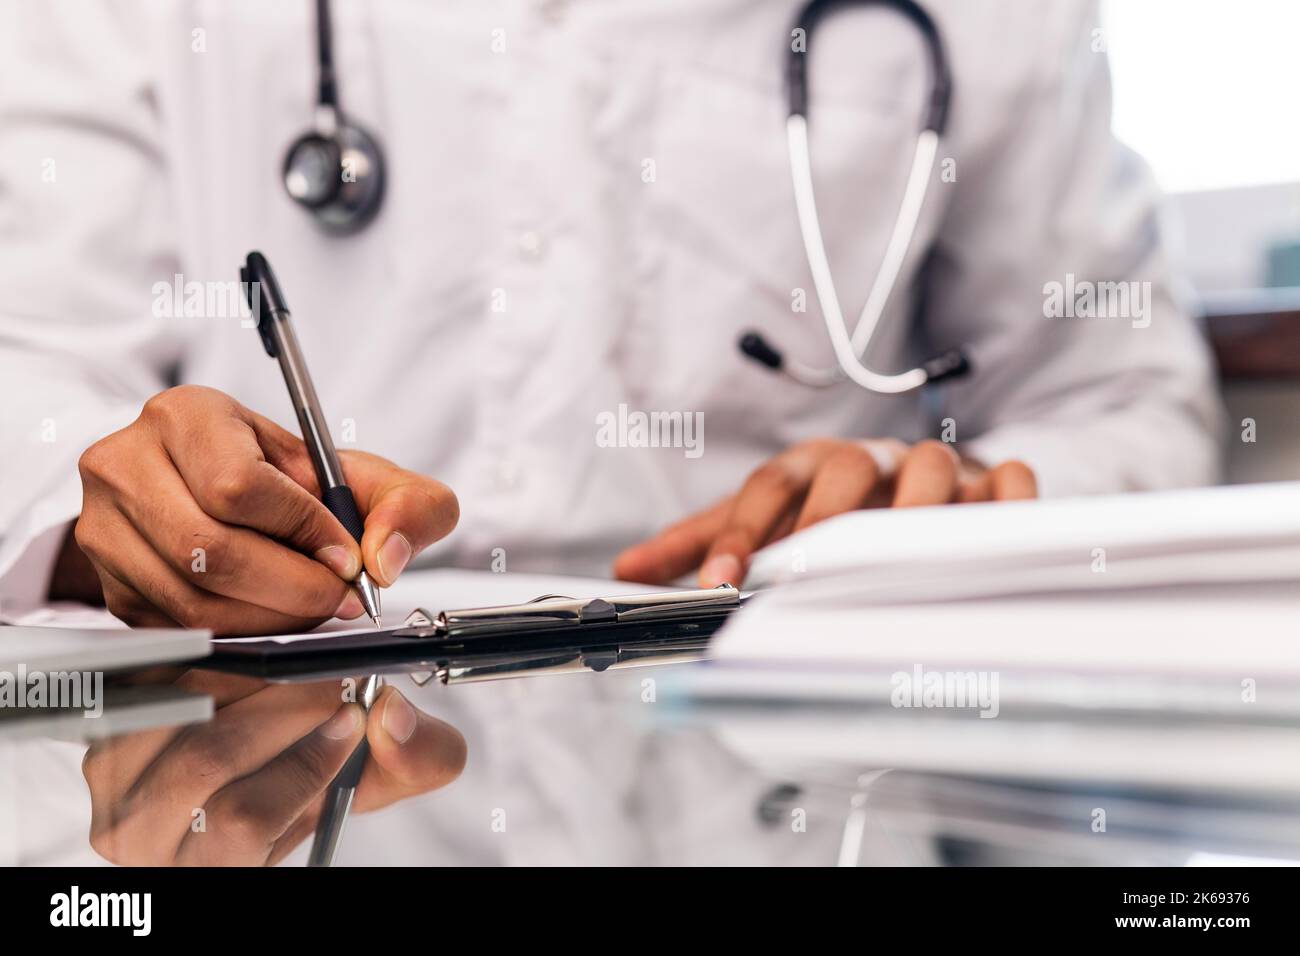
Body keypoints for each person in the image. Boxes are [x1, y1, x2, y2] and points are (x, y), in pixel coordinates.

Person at [0, 0, 1220, 865]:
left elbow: (1120, 399)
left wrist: (958, 506)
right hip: (253, 707)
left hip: (773, 732)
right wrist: (107, 513)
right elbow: (30, 353)